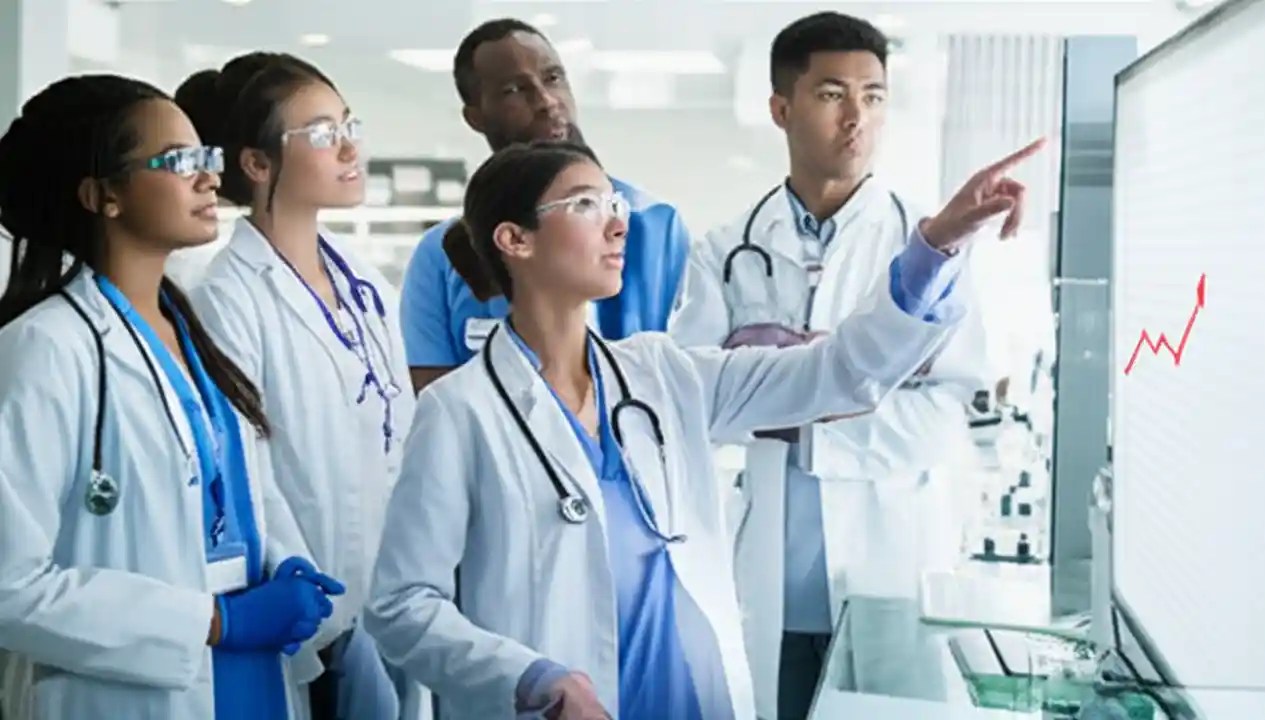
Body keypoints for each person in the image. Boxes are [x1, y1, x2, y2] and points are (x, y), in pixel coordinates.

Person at [364, 136, 1040, 719]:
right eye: (585, 205)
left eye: (614, 204)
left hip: (690, 696)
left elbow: (839, 373)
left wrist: (937, 244)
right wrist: (530, 676)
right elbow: (401, 605)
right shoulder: (461, 411)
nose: (617, 225)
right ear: (515, 240)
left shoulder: (664, 375)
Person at [667, 13, 1011, 717]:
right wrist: (855, 387)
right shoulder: (725, 248)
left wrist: (799, 410)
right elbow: (694, 398)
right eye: (831, 94)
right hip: (769, 564)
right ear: (781, 107)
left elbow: (948, 408)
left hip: (890, 556)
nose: (857, 117)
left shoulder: (934, 243)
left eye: (874, 95)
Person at [0, 73, 344, 720]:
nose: (209, 178)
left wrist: (288, 564)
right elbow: (9, 585)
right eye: (179, 161)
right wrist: (215, 620)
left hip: (251, 673)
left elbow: (243, 494)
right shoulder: (47, 348)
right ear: (103, 195)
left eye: (205, 157)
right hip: (141, 682)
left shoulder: (193, 331)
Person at [174, 54, 416, 720]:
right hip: (313, 611)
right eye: (320, 133)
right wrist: (317, 614)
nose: (348, 146)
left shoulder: (366, 283)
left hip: (397, 599)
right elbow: (253, 476)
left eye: (349, 124)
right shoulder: (225, 297)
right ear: (256, 164)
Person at [399, 18, 692, 393]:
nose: (546, 101)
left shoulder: (654, 226)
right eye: (513, 90)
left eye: (553, 78)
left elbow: (686, 380)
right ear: (476, 116)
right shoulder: (442, 255)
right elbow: (434, 403)